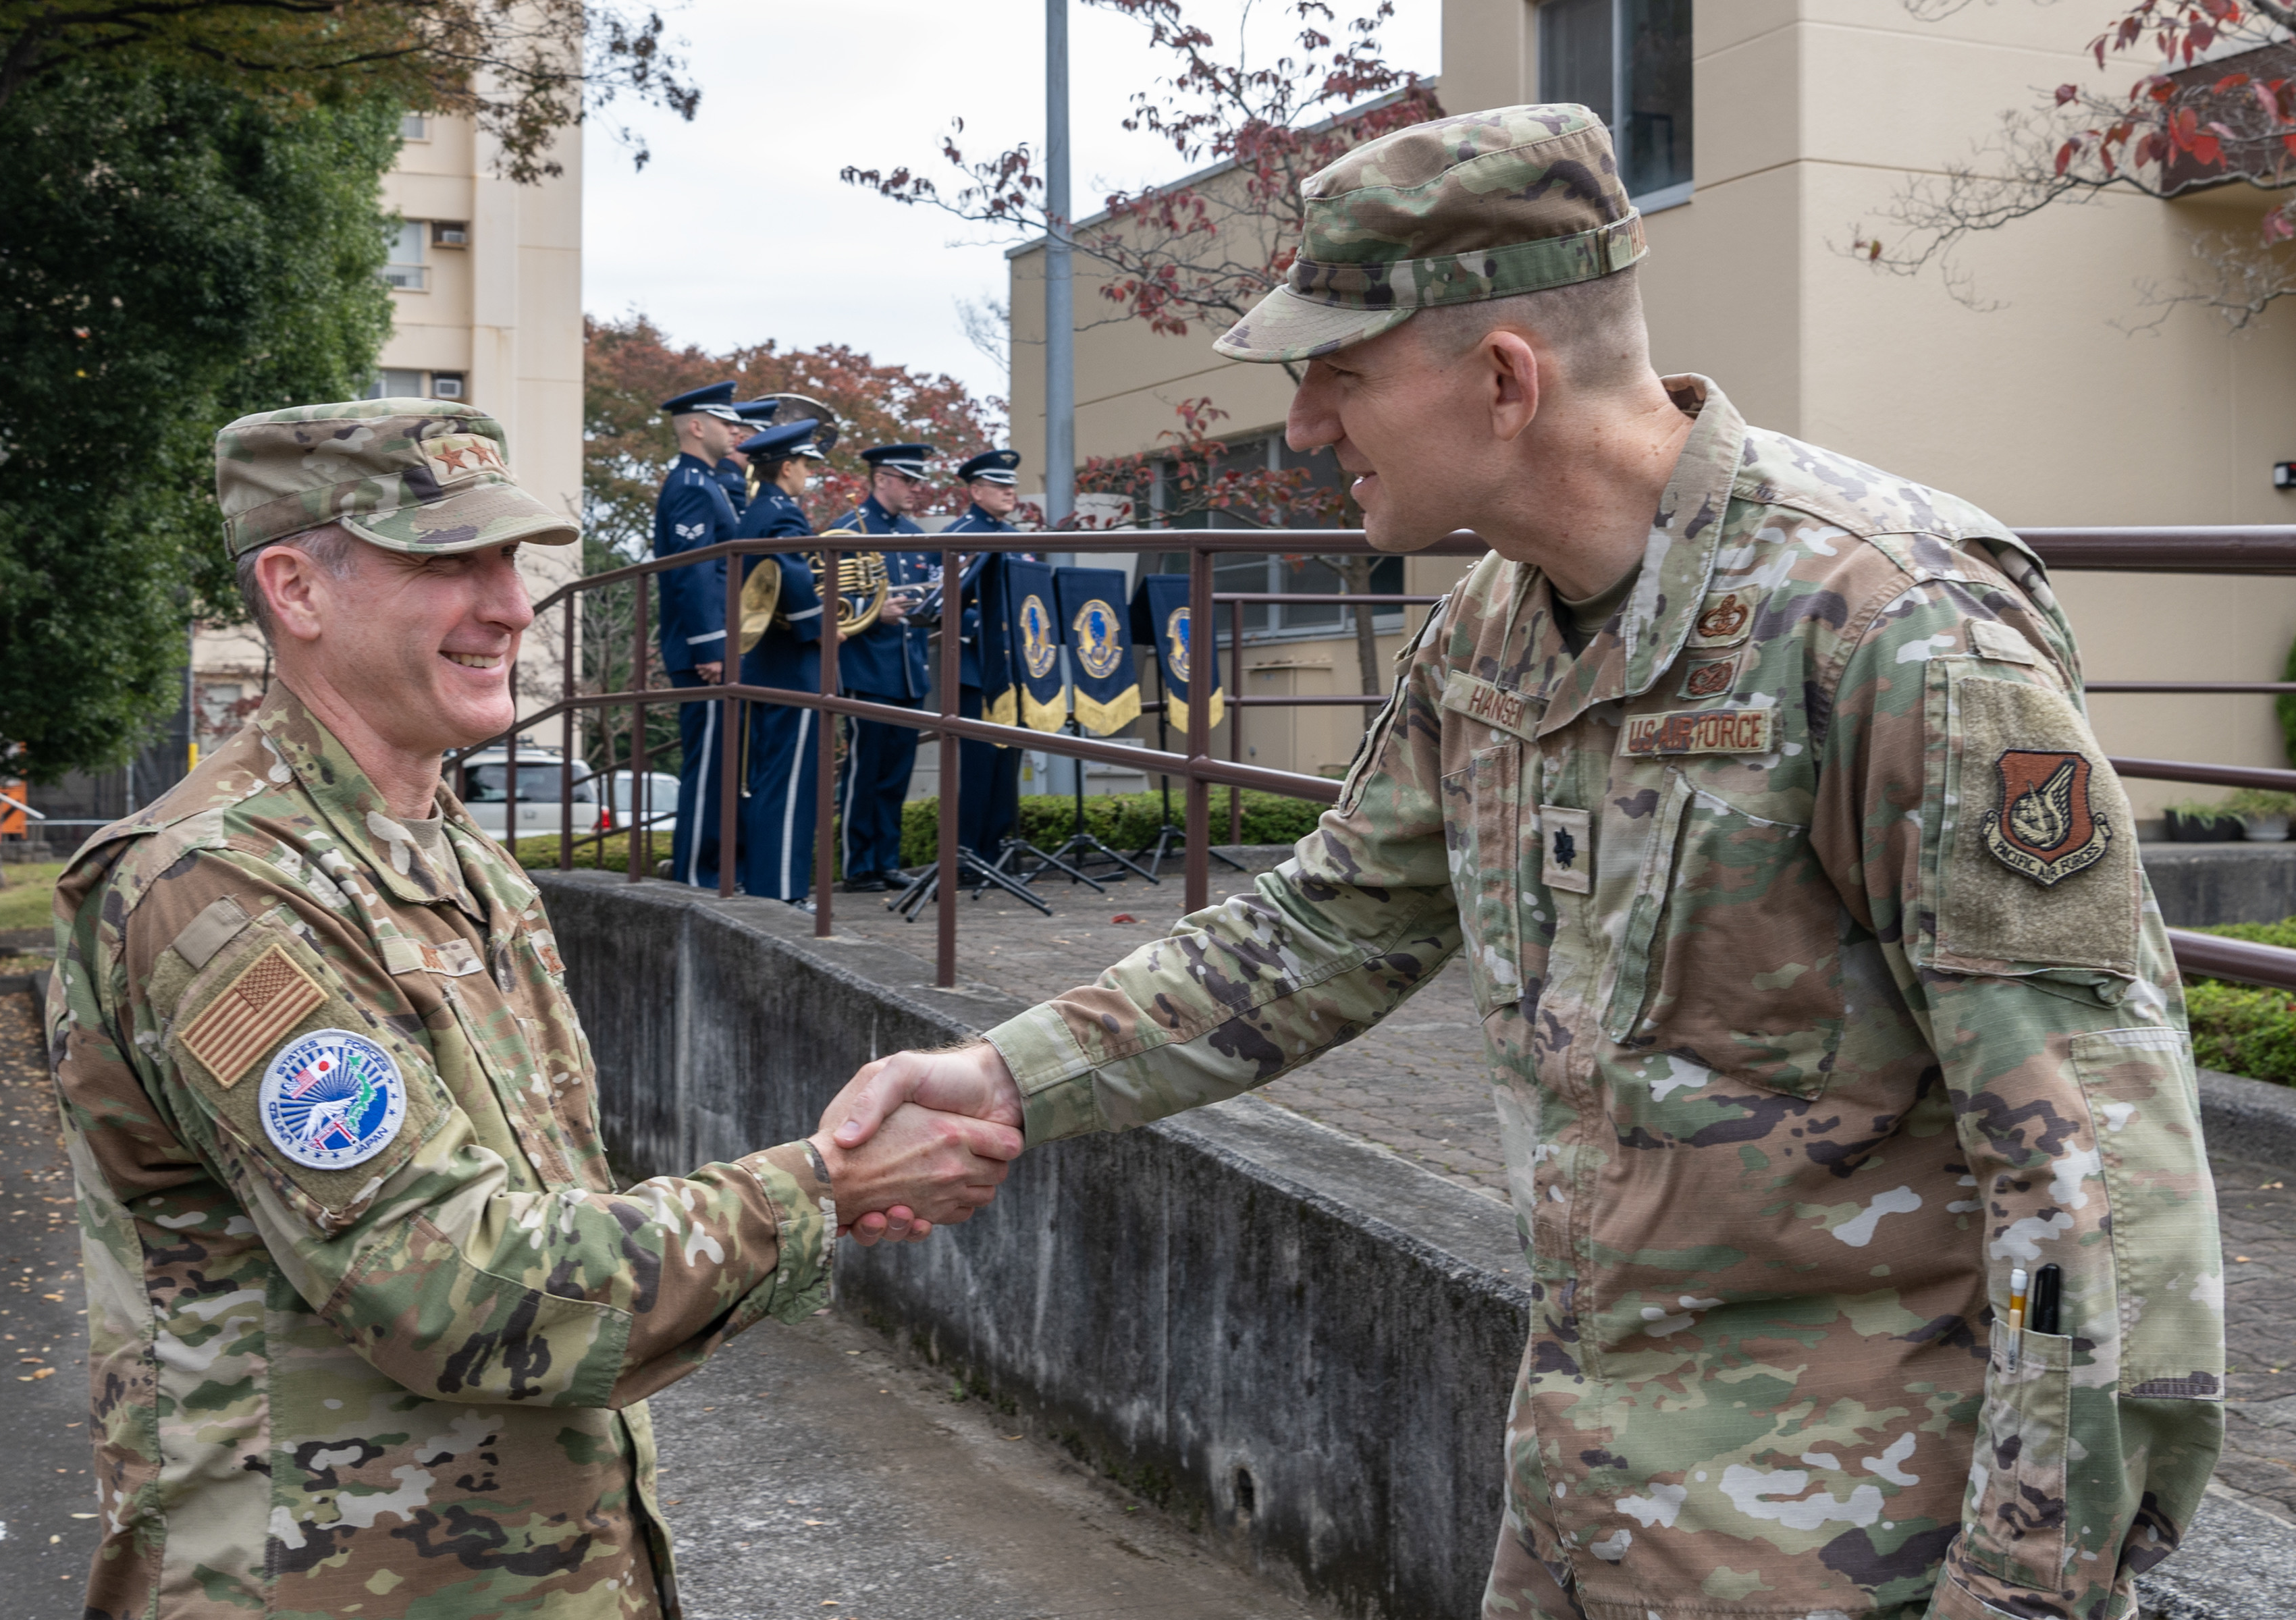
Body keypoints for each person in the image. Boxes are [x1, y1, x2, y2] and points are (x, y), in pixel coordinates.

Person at [828, 105, 2225, 1620]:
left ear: (1504, 380)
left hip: (1846, 1562)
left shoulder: (1896, 631)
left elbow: (2100, 1201)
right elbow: (1319, 930)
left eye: (1338, 373)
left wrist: (2027, 1596)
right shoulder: (1490, 632)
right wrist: (1012, 1077)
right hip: (1578, 1509)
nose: (1304, 426)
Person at [46, 398, 1018, 1619]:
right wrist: (825, 1188)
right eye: (450, 563)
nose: (509, 606)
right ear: (296, 590)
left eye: (509, 558)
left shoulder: (458, 855)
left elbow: (552, 1217)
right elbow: (453, 1284)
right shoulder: (217, 889)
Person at [833, 443, 941, 892]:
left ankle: (886, 859)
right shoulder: (846, 531)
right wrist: (875, 612)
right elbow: (828, 600)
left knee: (897, 773)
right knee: (865, 772)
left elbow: (933, 592)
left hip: (909, 670)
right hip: (866, 670)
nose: (916, 489)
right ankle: (859, 865)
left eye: (919, 481)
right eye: (909, 481)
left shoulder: (917, 534)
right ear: (882, 479)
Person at [735, 418, 832, 904]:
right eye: (806, 465)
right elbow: (794, 579)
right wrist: (825, 629)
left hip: (765, 662)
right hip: (791, 664)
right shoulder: (784, 514)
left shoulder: (755, 510)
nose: (809, 475)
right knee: (791, 783)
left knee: (771, 780)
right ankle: (784, 892)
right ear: (788, 467)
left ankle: (767, 885)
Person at [654, 381, 747, 886]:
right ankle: (697, 871)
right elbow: (693, 574)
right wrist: (711, 647)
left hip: (716, 643)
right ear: (696, 426)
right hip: (703, 651)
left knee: (723, 765)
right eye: (724, 421)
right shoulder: (691, 485)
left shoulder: (706, 481)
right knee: (709, 765)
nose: (734, 430)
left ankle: (715, 868)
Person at [941, 448, 1030, 864]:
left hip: (1016, 671)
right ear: (976, 491)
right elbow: (943, 603)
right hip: (977, 669)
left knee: (1007, 767)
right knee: (978, 768)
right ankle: (967, 854)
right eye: (1000, 486)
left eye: (1012, 485)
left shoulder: (1017, 539)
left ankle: (997, 851)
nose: (1010, 491)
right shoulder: (959, 535)